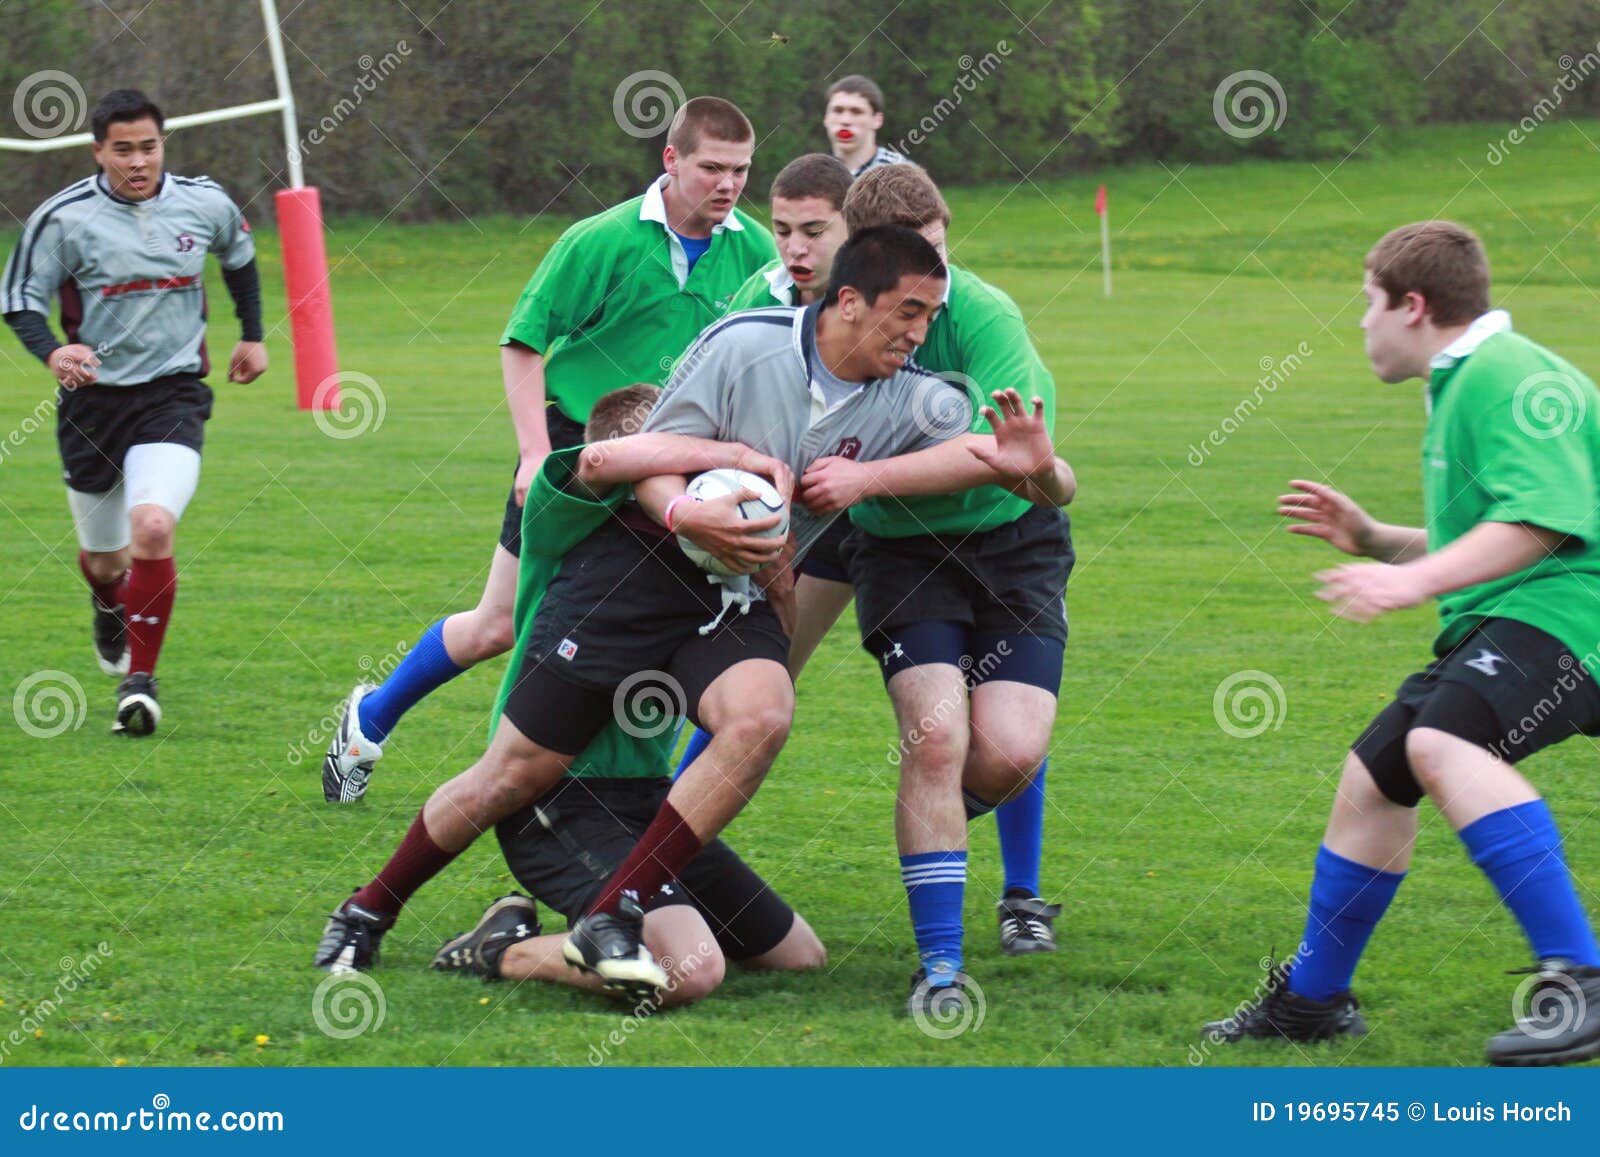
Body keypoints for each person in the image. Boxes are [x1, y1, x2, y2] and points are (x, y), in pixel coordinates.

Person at [314, 228, 1074, 1000]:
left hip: (730, 594)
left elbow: (1039, 479)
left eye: (932, 314)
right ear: (849, 301)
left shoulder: (911, 398)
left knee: (764, 712)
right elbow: (634, 458)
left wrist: (1039, 465)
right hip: (635, 573)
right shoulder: (744, 345)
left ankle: (617, 908)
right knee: (517, 771)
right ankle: (368, 908)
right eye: (909, 312)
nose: (921, 333)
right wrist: (691, 508)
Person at [1203, 221, 1600, 1067]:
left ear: (1412, 305)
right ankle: (1314, 1000)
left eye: (1367, 301)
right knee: (1374, 775)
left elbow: (1545, 521)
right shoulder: (1467, 378)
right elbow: (1495, 526)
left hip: (1571, 618)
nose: (1360, 323)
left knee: (1441, 740)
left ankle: (1586, 981)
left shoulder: (1503, 373)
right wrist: (1380, 540)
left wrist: (1410, 584)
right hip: (1521, 614)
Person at [319, 95, 777, 803]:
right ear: (671, 160)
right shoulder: (601, 239)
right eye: (711, 167)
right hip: (574, 452)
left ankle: (628, 801)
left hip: (674, 456)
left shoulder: (755, 252)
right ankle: (371, 718)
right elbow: (523, 342)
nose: (727, 185)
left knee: (658, 626)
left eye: (740, 171)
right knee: (501, 625)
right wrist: (535, 454)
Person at [418, 384, 826, 1003]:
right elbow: (599, 464)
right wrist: (735, 458)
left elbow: (772, 674)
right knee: (692, 972)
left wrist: (776, 583)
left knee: (799, 957)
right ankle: (501, 948)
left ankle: (642, 911)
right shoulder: (572, 525)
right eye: (671, 466)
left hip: (647, 805)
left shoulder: (697, 565)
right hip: (566, 809)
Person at [800, 163, 1073, 1014]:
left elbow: (1008, 453)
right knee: (934, 741)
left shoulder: (984, 313)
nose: (934, 291)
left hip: (1011, 541)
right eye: (916, 273)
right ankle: (941, 966)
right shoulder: (844, 321)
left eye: (943, 260)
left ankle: (935, 835)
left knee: (1013, 751)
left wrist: (868, 477)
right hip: (903, 552)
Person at [1, 88, 265, 736]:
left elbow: (238, 256)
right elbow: (18, 298)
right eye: (123, 150)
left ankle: (138, 684)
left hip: (171, 394)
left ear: (162, 144)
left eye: (148, 146)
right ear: (99, 151)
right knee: (105, 562)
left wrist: (252, 333)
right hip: (91, 406)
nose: (138, 161)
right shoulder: (63, 219)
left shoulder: (203, 202)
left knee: (151, 527)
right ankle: (106, 603)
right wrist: (54, 353)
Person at [824, 76, 908, 176]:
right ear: (826, 118)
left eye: (856, 112)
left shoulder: (901, 175)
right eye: (838, 110)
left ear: (877, 120)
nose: (845, 120)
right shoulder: (813, 175)